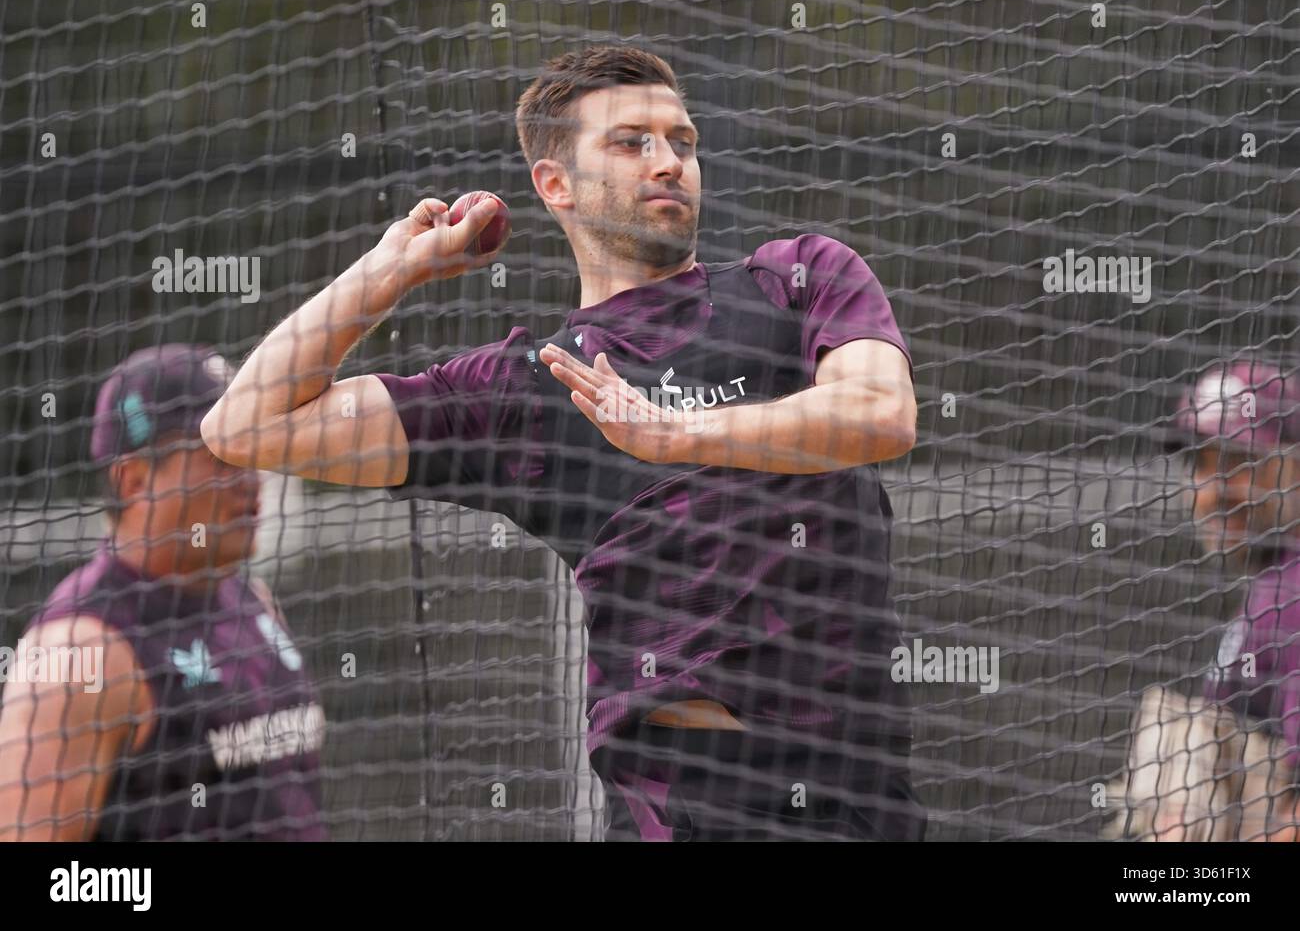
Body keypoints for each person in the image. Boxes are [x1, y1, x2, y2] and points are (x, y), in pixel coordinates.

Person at [201, 45, 923, 840]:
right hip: (700, 805)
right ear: (556, 185)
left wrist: (676, 433)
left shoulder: (798, 280)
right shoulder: (530, 387)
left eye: (681, 141)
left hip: (867, 796)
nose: (668, 161)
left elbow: (879, 413)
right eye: (630, 142)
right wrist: (389, 270)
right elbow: (244, 426)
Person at [0, 344, 325, 841]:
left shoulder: (253, 600)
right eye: (222, 455)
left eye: (253, 448)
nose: (252, 478)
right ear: (132, 481)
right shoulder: (79, 653)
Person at [1109, 360, 1300, 841]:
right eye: (1201, 463)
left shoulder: (1290, 599)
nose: (1213, 490)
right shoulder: (1274, 585)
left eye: (1237, 463)